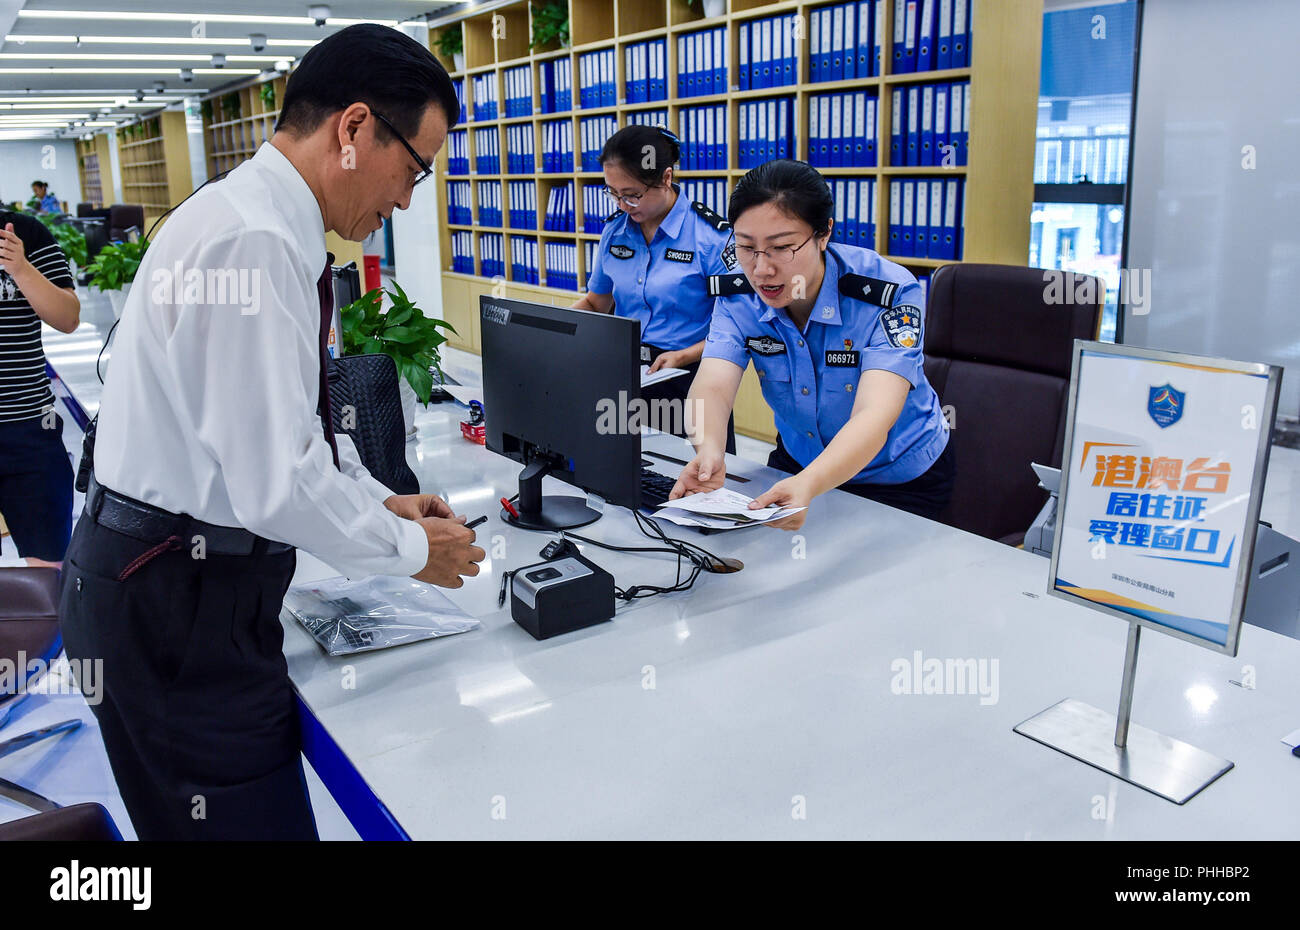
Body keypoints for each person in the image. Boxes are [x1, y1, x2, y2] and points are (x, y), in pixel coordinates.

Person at [58, 24, 484, 841]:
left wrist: (380, 502)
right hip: (172, 606)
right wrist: (410, 554)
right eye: (415, 168)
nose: (405, 198)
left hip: (174, 589)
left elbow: (297, 431)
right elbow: (274, 480)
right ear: (355, 129)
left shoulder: (260, 222)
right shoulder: (251, 243)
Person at [670, 159, 954, 530]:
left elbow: (875, 415)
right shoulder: (738, 292)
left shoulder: (889, 293)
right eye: (746, 247)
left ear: (823, 234)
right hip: (798, 460)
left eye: (782, 248)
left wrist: (810, 483)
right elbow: (713, 385)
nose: (761, 270)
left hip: (897, 477)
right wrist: (709, 451)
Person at [572, 124, 737, 451]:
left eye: (632, 194)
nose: (622, 205)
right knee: (627, 474)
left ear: (665, 177)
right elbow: (596, 302)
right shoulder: (615, 232)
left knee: (697, 482)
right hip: (625, 372)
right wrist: (555, 328)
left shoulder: (712, 238)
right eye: (613, 193)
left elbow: (735, 330)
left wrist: (682, 356)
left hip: (691, 381)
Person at [0, 210, 80, 566]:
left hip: (30, 430)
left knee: (50, 575)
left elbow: (67, 318)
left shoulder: (24, 232)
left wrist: (20, 268)